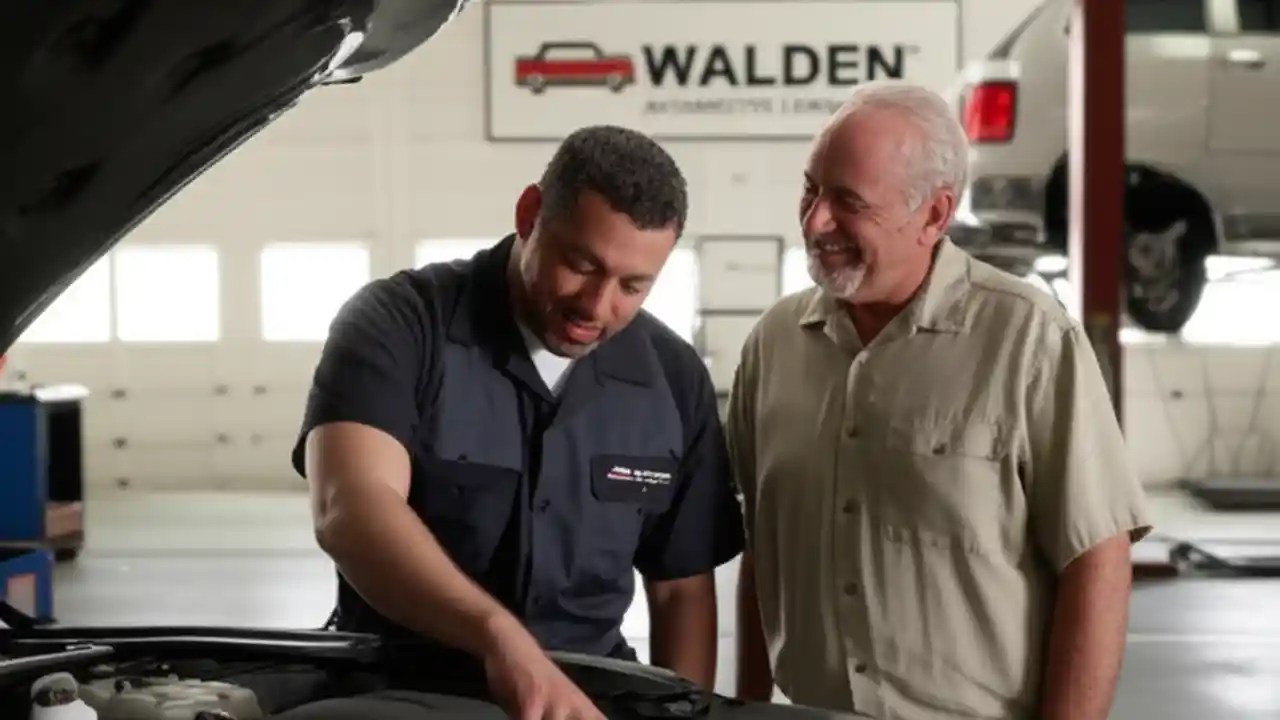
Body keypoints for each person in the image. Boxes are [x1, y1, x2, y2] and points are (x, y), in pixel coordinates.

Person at [726, 81, 1153, 720]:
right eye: (812, 189)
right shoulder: (774, 346)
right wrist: (746, 708)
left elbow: (1097, 557)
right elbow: (763, 549)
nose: (816, 221)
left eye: (848, 201)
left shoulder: (1027, 340)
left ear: (934, 214)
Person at [293, 124, 744, 719]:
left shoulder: (672, 377)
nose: (597, 305)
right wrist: (498, 638)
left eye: (633, 287)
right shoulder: (399, 325)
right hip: (403, 685)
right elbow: (350, 508)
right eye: (581, 264)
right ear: (529, 214)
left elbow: (681, 588)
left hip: (592, 690)